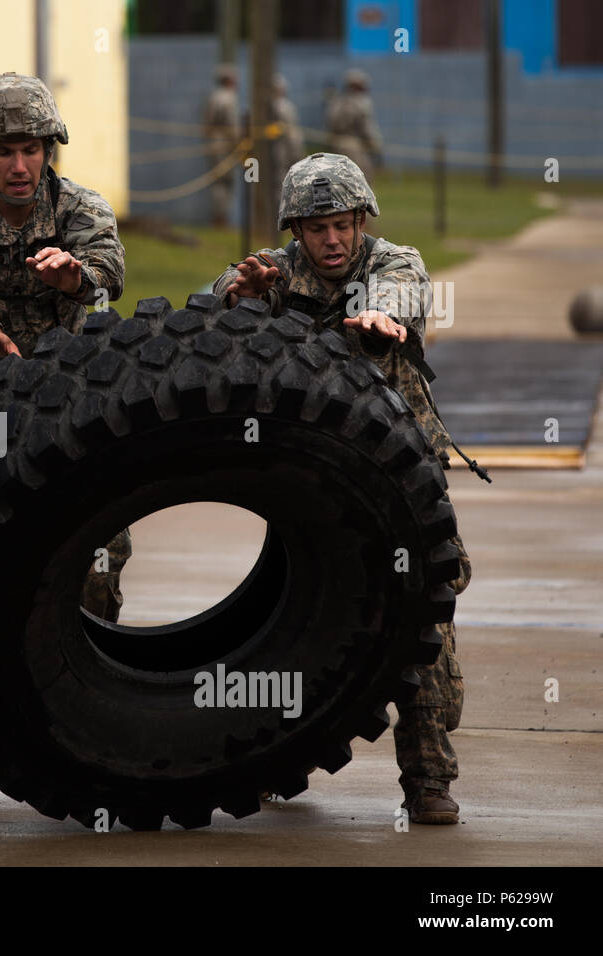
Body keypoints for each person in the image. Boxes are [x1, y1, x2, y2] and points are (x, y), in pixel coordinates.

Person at [211, 152, 470, 825]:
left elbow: (404, 289)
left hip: (401, 475)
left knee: (426, 617)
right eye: (316, 228)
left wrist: (380, 315)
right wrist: (235, 298)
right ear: (296, 229)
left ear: (361, 221)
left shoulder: (392, 261)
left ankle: (428, 780)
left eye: (343, 225)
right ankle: (275, 761)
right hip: (311, 480)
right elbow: (208, 314)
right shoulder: (278, 270)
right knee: (290, 619)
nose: (331, 240)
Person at [0, 72, 131, 811]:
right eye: (3, 149)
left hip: (71, 411)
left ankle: (95, 738)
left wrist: (77, 277)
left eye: (31, 148)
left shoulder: (79, 210)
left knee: (97, 568)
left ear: (48, 150)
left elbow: (110, 273)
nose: (18, 165)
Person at [326, 68, 383, 184]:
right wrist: (376, 146)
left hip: (337, 147)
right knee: (361, 183)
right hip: (357, 147)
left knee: (340, 183)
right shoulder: (362, 102)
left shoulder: (337, 102)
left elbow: (330, 125)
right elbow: (367, 128)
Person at [202, 63, 241, 229]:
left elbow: (206, 123)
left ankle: (218, 217)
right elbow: (232, 125)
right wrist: (238, 145)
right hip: (225, 143)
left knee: (217, 181)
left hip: (213, 142)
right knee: (225, 182)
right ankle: (221, 218)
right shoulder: (229, 98)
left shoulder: (213, 97)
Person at [270, 74, 304, 214]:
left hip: (276, 149)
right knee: (284, 183)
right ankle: (285, 214)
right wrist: (297, 153)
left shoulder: (270, 105)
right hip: (284, 149)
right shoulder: (284, 106)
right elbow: (291, 132)